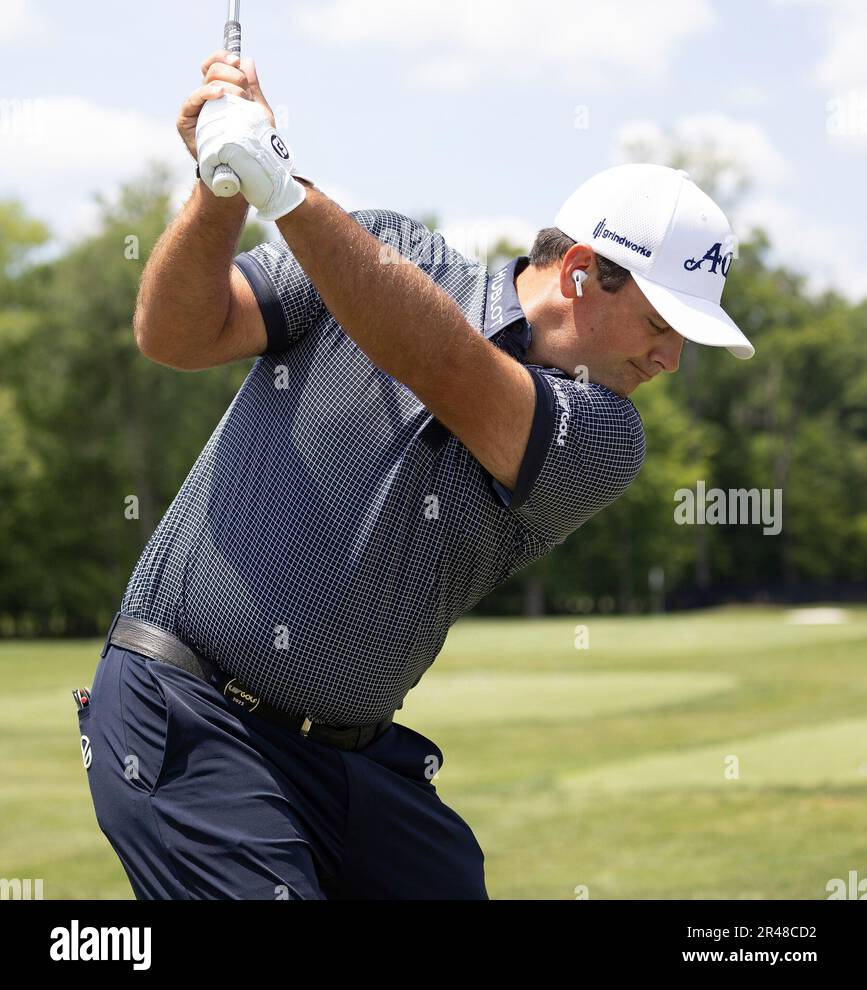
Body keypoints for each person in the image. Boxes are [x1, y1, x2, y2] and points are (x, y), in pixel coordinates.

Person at [74, 49, 754, 901]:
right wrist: (226, 186)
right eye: (660, 323)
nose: (672, 359)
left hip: (353, 765)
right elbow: (175, 334)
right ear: (581, 272)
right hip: (186, 710)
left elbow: (449, 368)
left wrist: (282, 185)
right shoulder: (386, 246)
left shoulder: (605, 437)